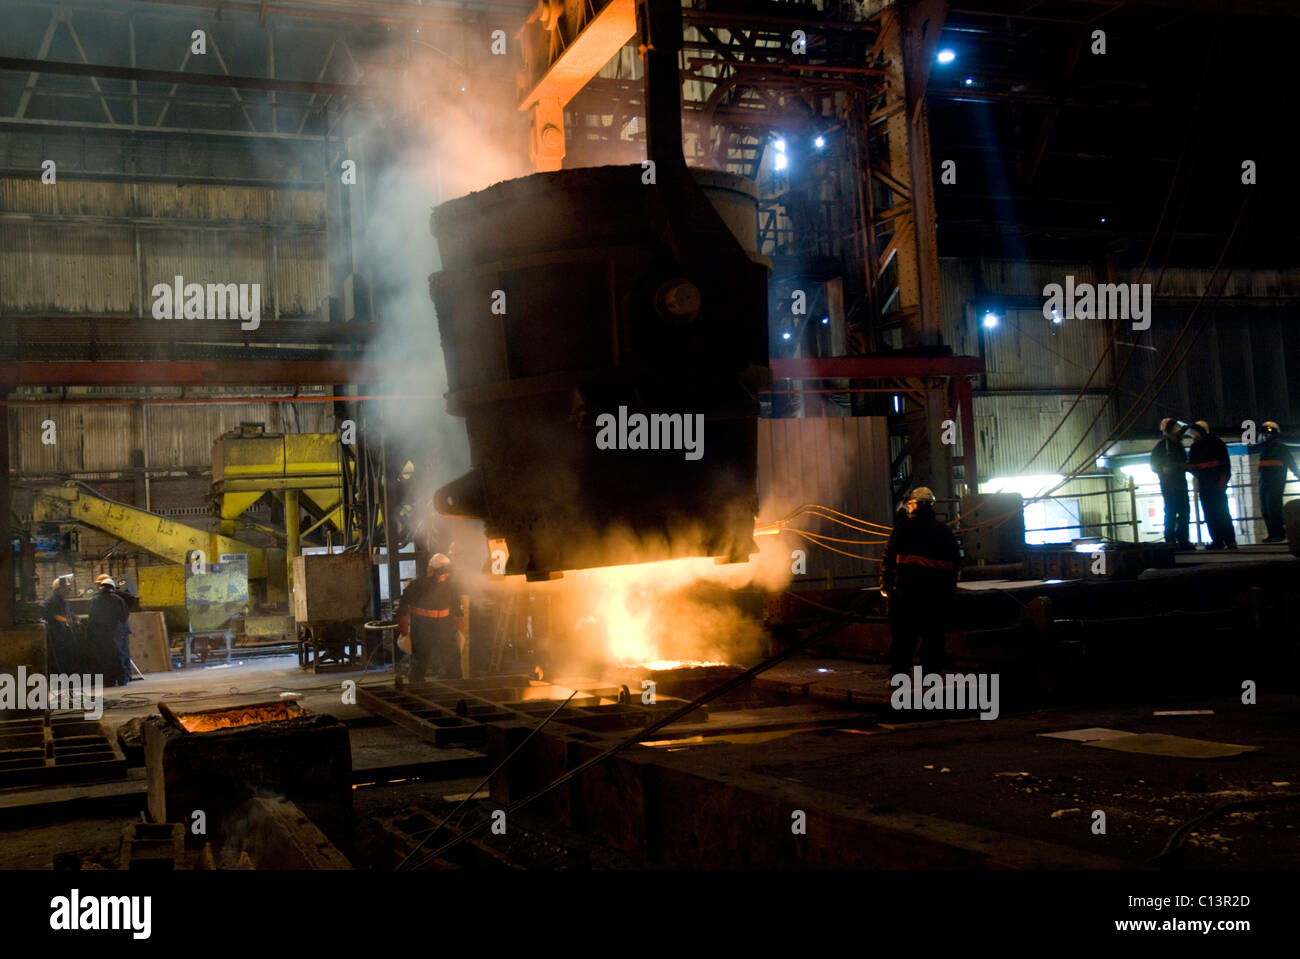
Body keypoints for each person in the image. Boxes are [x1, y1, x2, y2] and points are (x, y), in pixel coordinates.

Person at [879, 486, 961, 679]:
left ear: (914, 505)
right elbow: (955, 565)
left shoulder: (902, 529)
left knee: (903, 639)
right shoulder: (945, 532)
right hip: (936, 597)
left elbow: (888, 559)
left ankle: (899, 678)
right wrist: (949, 593)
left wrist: (886, 586)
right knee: (933, 638)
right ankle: (931, 676)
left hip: (907, 594)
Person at [396, 554, 461, 683]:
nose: (444, 576)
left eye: (446, 573)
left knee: (453, 659)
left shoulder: (450, 586)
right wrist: (403, 625)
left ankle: (456, 685)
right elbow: (403, 605)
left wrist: (458, 618)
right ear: (431, 570)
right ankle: (416, 688)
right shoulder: (417, 585)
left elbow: (455, 604)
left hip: (444, 625)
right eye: (441, 573)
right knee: (420, 660)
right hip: (422, 627)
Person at [1185, 421, 1237, 550]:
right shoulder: (1213, 443)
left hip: (1210, 483)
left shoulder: (1200, 446)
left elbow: (1195, 466)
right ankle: (1227, 541)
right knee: (1219, 512)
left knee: (1214, 513)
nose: (1192, 434)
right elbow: (1225, 465)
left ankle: (1220, 540)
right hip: (1212, 483)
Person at [1249, 421, 1299, 543]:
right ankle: (1272, 534)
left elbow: (1291, 463)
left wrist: (1297, 474)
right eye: (1264, 434)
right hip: (1264, 483)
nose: (1266, 436)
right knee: (1265, 509)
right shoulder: (1264, 449)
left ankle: (1279, 533)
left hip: (1275, 483)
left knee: (1274, 508)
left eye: (1268, 434)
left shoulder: (1281, 448)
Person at [1150, 418, 1192, 548]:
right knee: (1171, 510)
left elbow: (1185, 462)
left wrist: (1181, 466)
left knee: (1184, 510)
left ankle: (1182, 539)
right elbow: (1154, 466)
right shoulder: (1161, 447)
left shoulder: (1177, 446)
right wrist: (1163, 469)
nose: (1179, 436)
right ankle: (1171, 540)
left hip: (1179, 483)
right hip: (1169, 484)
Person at [87, 573, 132, 686]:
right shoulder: (118, 599)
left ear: (102, 586)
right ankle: (123, 679)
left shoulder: (96, 600)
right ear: (112, 587)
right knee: (120, 654)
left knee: (105, 657)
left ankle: (108, 680)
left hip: (102, 633)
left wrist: (90, 633)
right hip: (117, 632)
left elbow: (92, 617)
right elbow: (124, 615)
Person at [41, 575, 80, 674]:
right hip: (57, 635)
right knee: (60, 659)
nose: (69, 590)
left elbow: (70, 613)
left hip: (66, 634)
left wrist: (76, 619)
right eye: (67, 588)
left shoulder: (64, 601)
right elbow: (43, 611)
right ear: (59, 589)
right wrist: (58, 618)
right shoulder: (51, 601)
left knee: (68, 658)